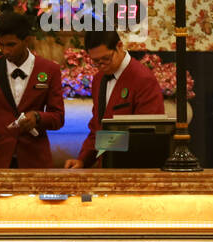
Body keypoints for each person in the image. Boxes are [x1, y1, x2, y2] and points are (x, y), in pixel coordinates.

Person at [0, 12, 65, 168]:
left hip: (34, 161)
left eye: (11, 44)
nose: (5, 51)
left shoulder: (50, 69)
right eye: (1, 44)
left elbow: (58, 117)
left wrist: (38, 117)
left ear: (27, 40)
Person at [65, 30, 165, 169]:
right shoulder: (99, 79)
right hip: (107, 170)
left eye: (106, 59)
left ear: (119, 46)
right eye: (96, 61)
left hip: (133, 170)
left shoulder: (142, 79)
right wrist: (82, 160)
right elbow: (97, 127)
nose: (101, 66)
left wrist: (109, 140)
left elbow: (147, 136)